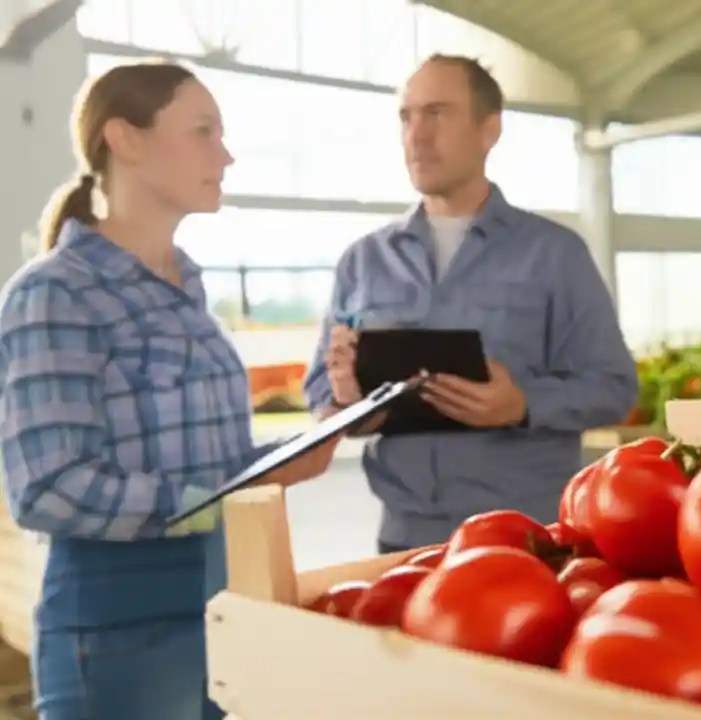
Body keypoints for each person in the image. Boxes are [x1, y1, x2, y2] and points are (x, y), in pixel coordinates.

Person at [0, 61, 339, 720]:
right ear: (125, 140)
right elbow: (47, 487)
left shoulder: (188, 292)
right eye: (204, 131)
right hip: (119, 631)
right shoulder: (56, 292)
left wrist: (313, 437)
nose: (227, 154)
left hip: (222, 608)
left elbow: (211, 468)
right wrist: (210, 502)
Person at [303, 54, 638, 553]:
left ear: (489, 129)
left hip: (526, 540)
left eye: (437, 113)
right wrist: (353, 405)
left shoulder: (554, 254)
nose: (417, 134)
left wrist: (521, 405)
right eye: (406, 116)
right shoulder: (364, 261)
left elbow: (614, 387)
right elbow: (319, 396)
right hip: (404, 540)